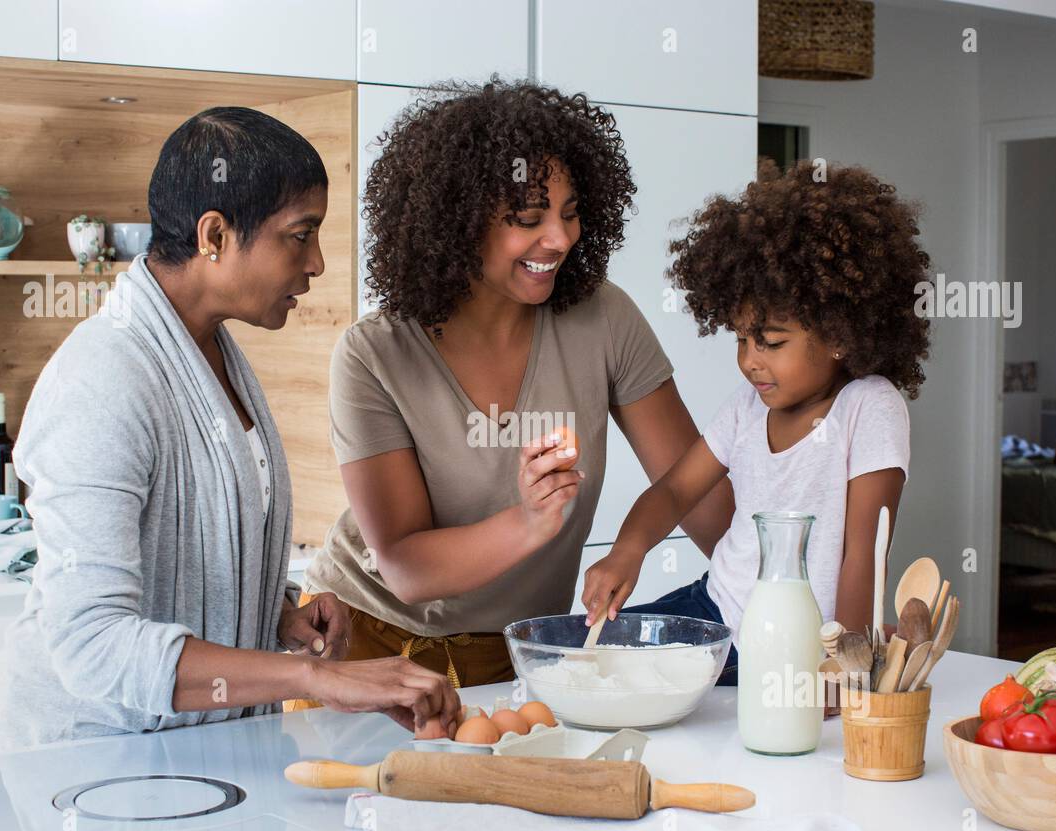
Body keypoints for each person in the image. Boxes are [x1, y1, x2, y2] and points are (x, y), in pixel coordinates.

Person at [0, 107, 458, 750]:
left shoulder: (213, 353)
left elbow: (189, 559)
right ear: (215, 235)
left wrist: (276, 612)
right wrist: (312, 676)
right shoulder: (101, 380)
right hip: (88, 762)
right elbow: (93, 645)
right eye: (300, 234)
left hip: (192, 753)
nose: (316, 263)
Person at [302, 80, 734, 688]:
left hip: (517, 651)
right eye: (528, 219)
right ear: (457, 223)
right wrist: (529, 523)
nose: (559, 239)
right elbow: (404, 565)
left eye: (571, 212)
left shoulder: (604, 320)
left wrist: (788, 593)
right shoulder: (375, 353)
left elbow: (695, 489)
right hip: (362, 644)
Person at [582, 160, 932, 684]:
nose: (750, 360)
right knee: (577, 653)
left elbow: (865, 553)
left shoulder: (868, 407)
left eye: (770, 342)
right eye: (741, 339)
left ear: (840, 335)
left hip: (794, 645)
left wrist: (847, 664)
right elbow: (676, 490)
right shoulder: (748, 407)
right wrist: (627, 551)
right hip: (714, 609)